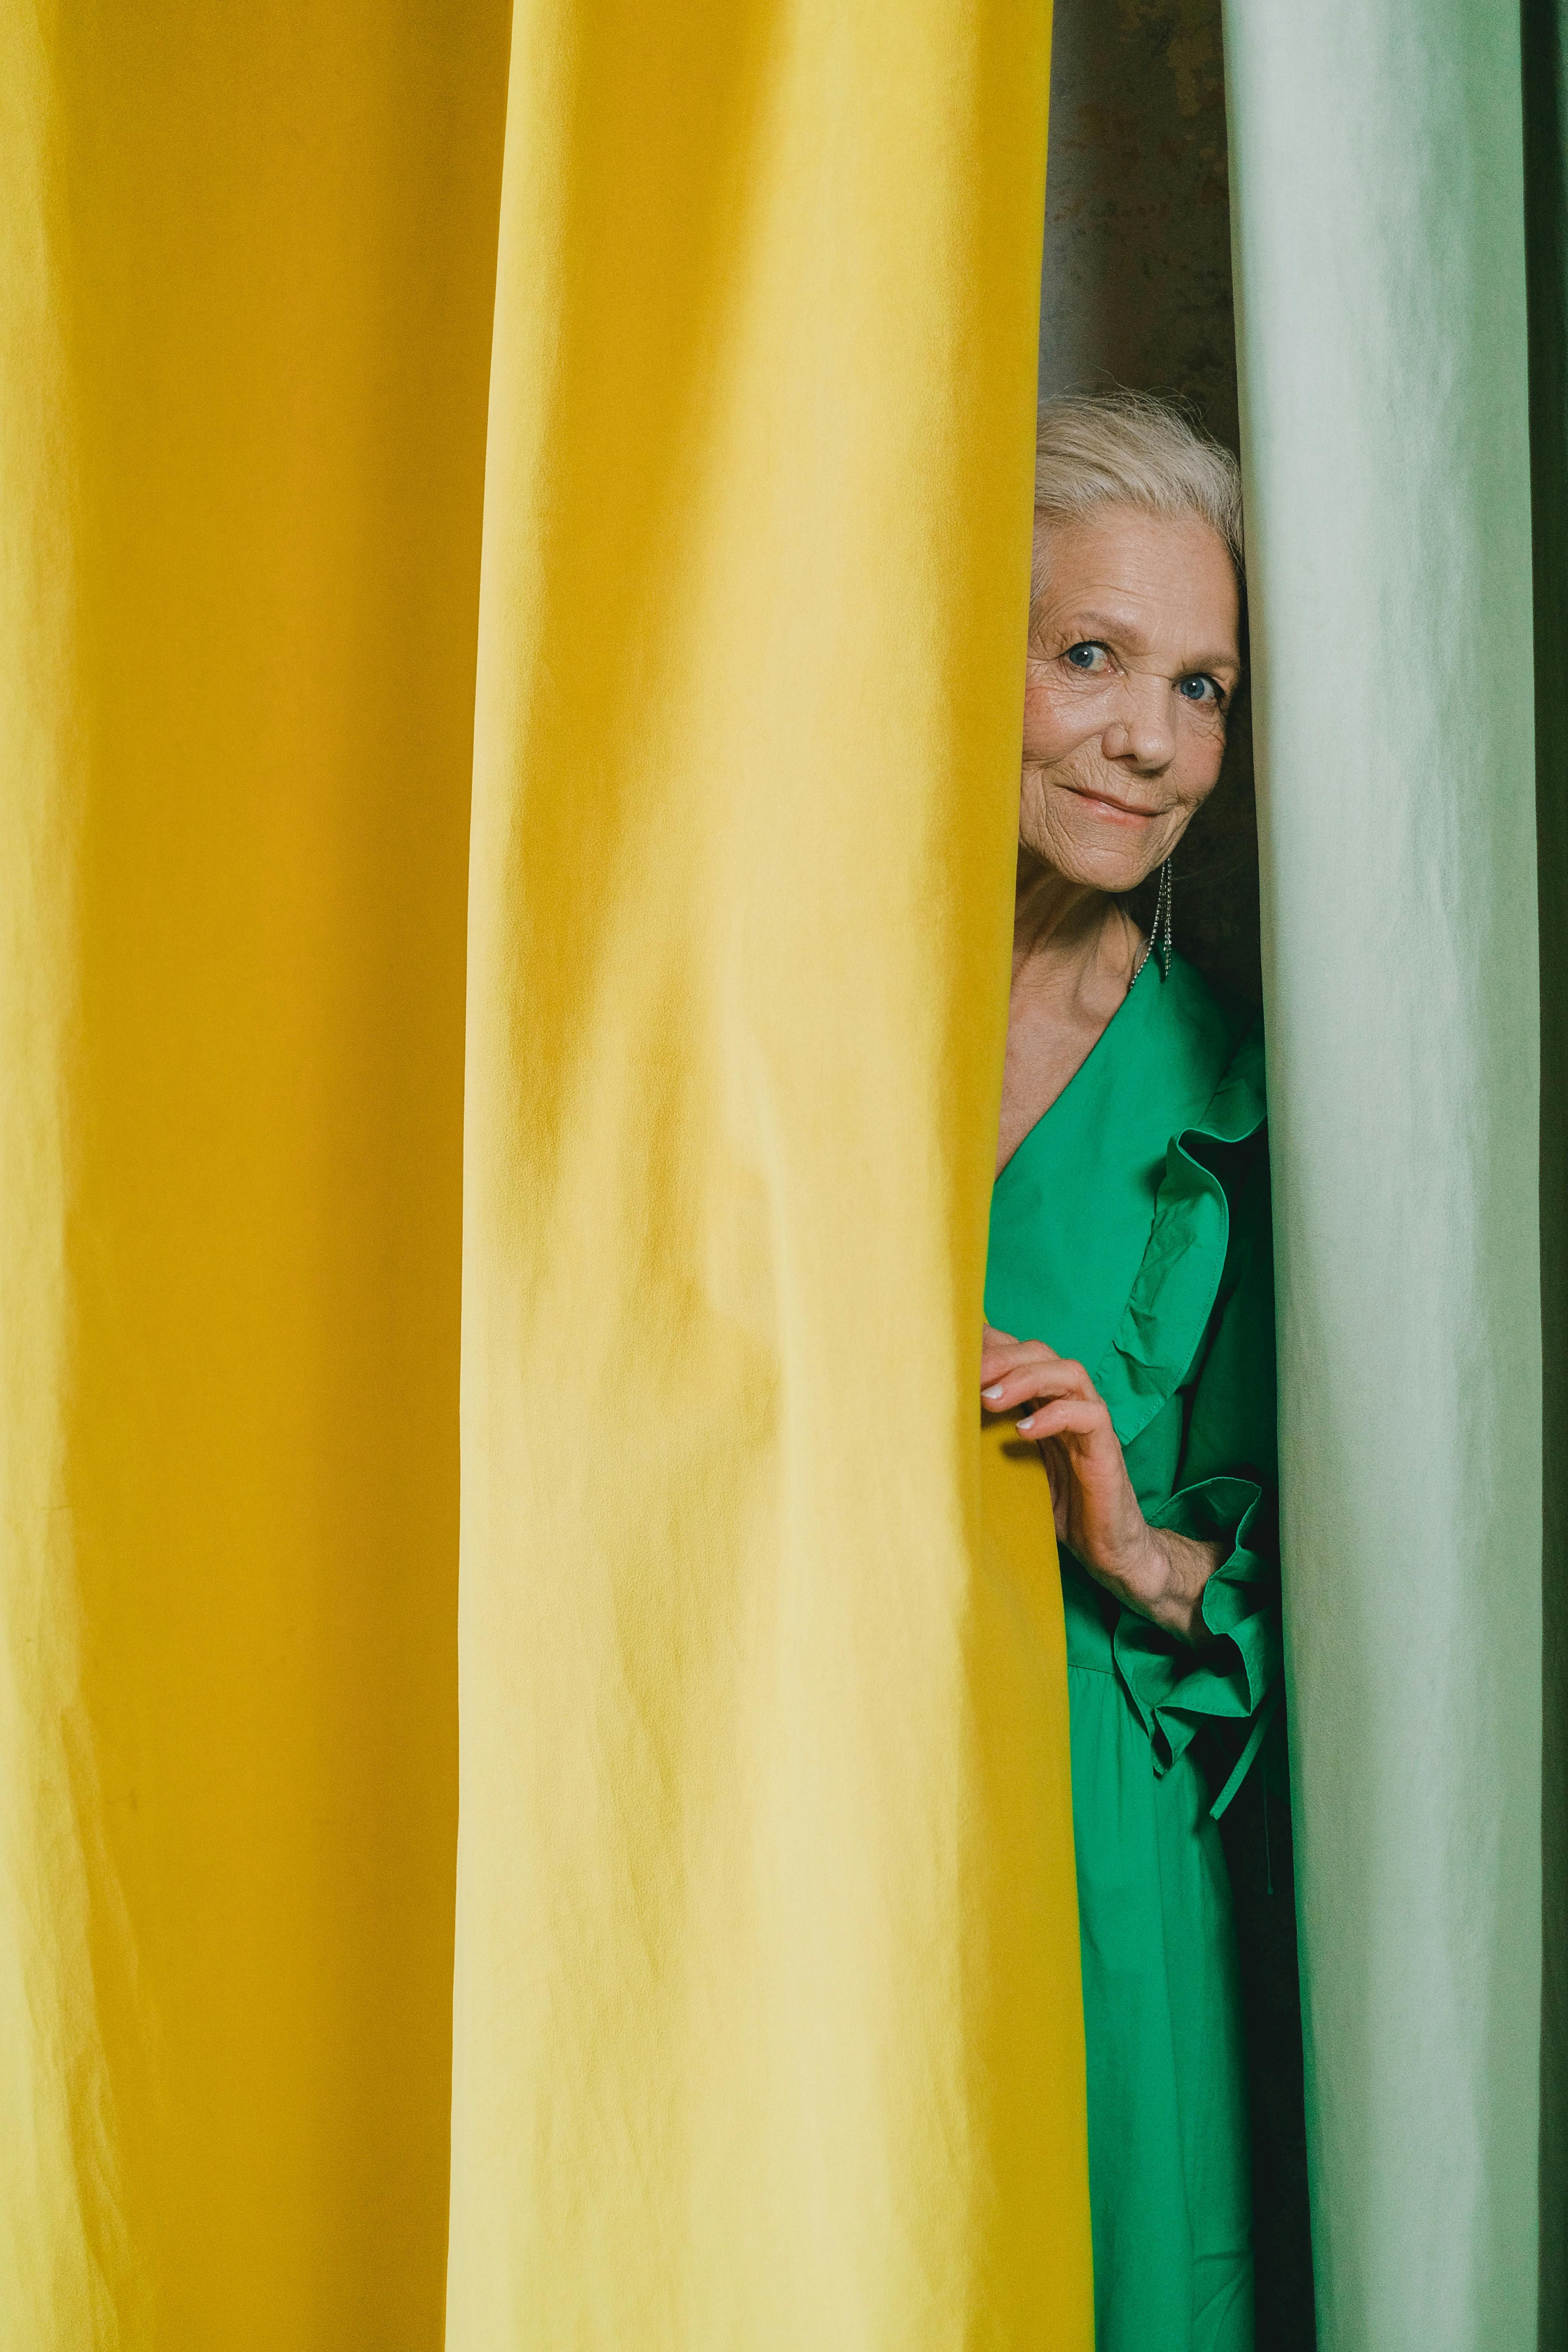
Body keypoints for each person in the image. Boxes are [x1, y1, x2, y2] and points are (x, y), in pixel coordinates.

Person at [979, 392, 1282, 2351]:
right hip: (777, 1770)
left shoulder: (1236, 1108)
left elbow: (1313, 1597)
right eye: (1090, 655)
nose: (1154, 742)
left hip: (1088, 1848)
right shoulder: (773, 1001)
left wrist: (1133, 1540)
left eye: (1202, 688)